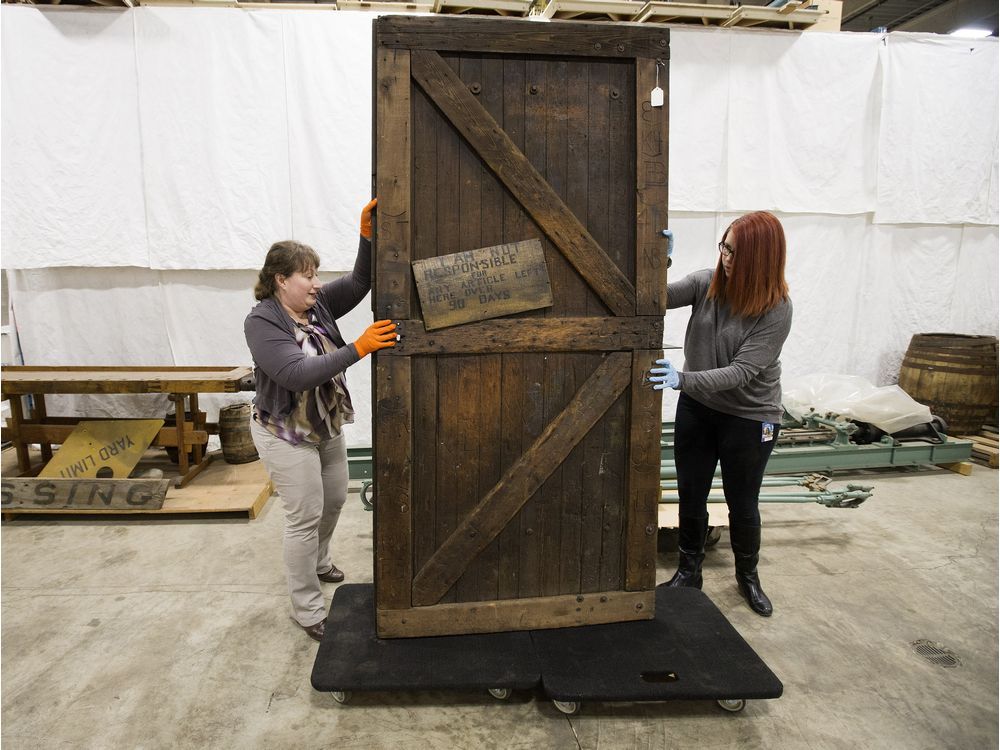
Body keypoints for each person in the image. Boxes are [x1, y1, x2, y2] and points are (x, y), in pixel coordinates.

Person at [244, 198, 397, 641]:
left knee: (333, 499)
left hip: (323, 425)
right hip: (285, 433)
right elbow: (293, 373)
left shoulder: (317, 306)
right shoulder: (262, 322)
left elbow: (361, 280)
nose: (316, 283)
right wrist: (359, 348)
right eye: (307, 275)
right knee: (304, 516)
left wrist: (366, 236)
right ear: (281, 279)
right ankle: (307, 609)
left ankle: (319, 560)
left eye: (315, 275)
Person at [650, 212, 792, 617]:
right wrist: (659, 261)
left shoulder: (776, 309)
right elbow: (654, 298)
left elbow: (742, 372)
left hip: (749, 416)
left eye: (735, 250)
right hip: (699, 407)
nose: (725, 256)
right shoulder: (705, 284)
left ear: (761, 258)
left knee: (741, 501)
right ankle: (688, 571)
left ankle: (747, 576)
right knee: (691, 492)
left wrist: (682, 379)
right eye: (724, 246)